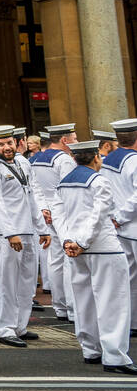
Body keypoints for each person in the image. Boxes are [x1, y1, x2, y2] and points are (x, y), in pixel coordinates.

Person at [56, 139, 137, 374]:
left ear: (74, 159)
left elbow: (59, 215)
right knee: (112, 301)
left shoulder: (63, 182)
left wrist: (68, 241)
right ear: (95, 158)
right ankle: (115, 355)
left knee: (84, 300)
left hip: (75, 247)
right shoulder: (99, 181)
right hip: (102, 246)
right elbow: (98, 215)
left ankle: (90, 348)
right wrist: (82, 240)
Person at [0, 125, 46, 347]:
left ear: (15, 142)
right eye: (1, 144)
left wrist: (42, 227)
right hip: (6, 233)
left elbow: (32, 195)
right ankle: (3, 328)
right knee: (6, 281)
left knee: (27, 281)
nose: (6, 147)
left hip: (27, 229)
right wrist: (10, 233)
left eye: (9, 143)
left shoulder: (23, 163)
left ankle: (19, 325)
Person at [31, 123, 79, 321]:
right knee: (69, 259)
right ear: (65, 140)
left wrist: (44, 208)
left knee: (56, 259)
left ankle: (59, 306)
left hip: (46, 210)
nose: (76, 142)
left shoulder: (36, 159)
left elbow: (35, 186)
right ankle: (72, 308)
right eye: (74, 139)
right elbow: (68, 188)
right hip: (63, 209)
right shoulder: (64, 160)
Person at [101, 118, 137, 333]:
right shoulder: (134, 160)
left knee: (128, 278)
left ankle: (131, 323)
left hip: (118, 226)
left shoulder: (109, 158)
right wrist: (121, 216)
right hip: (130, 223)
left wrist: (114, 217)